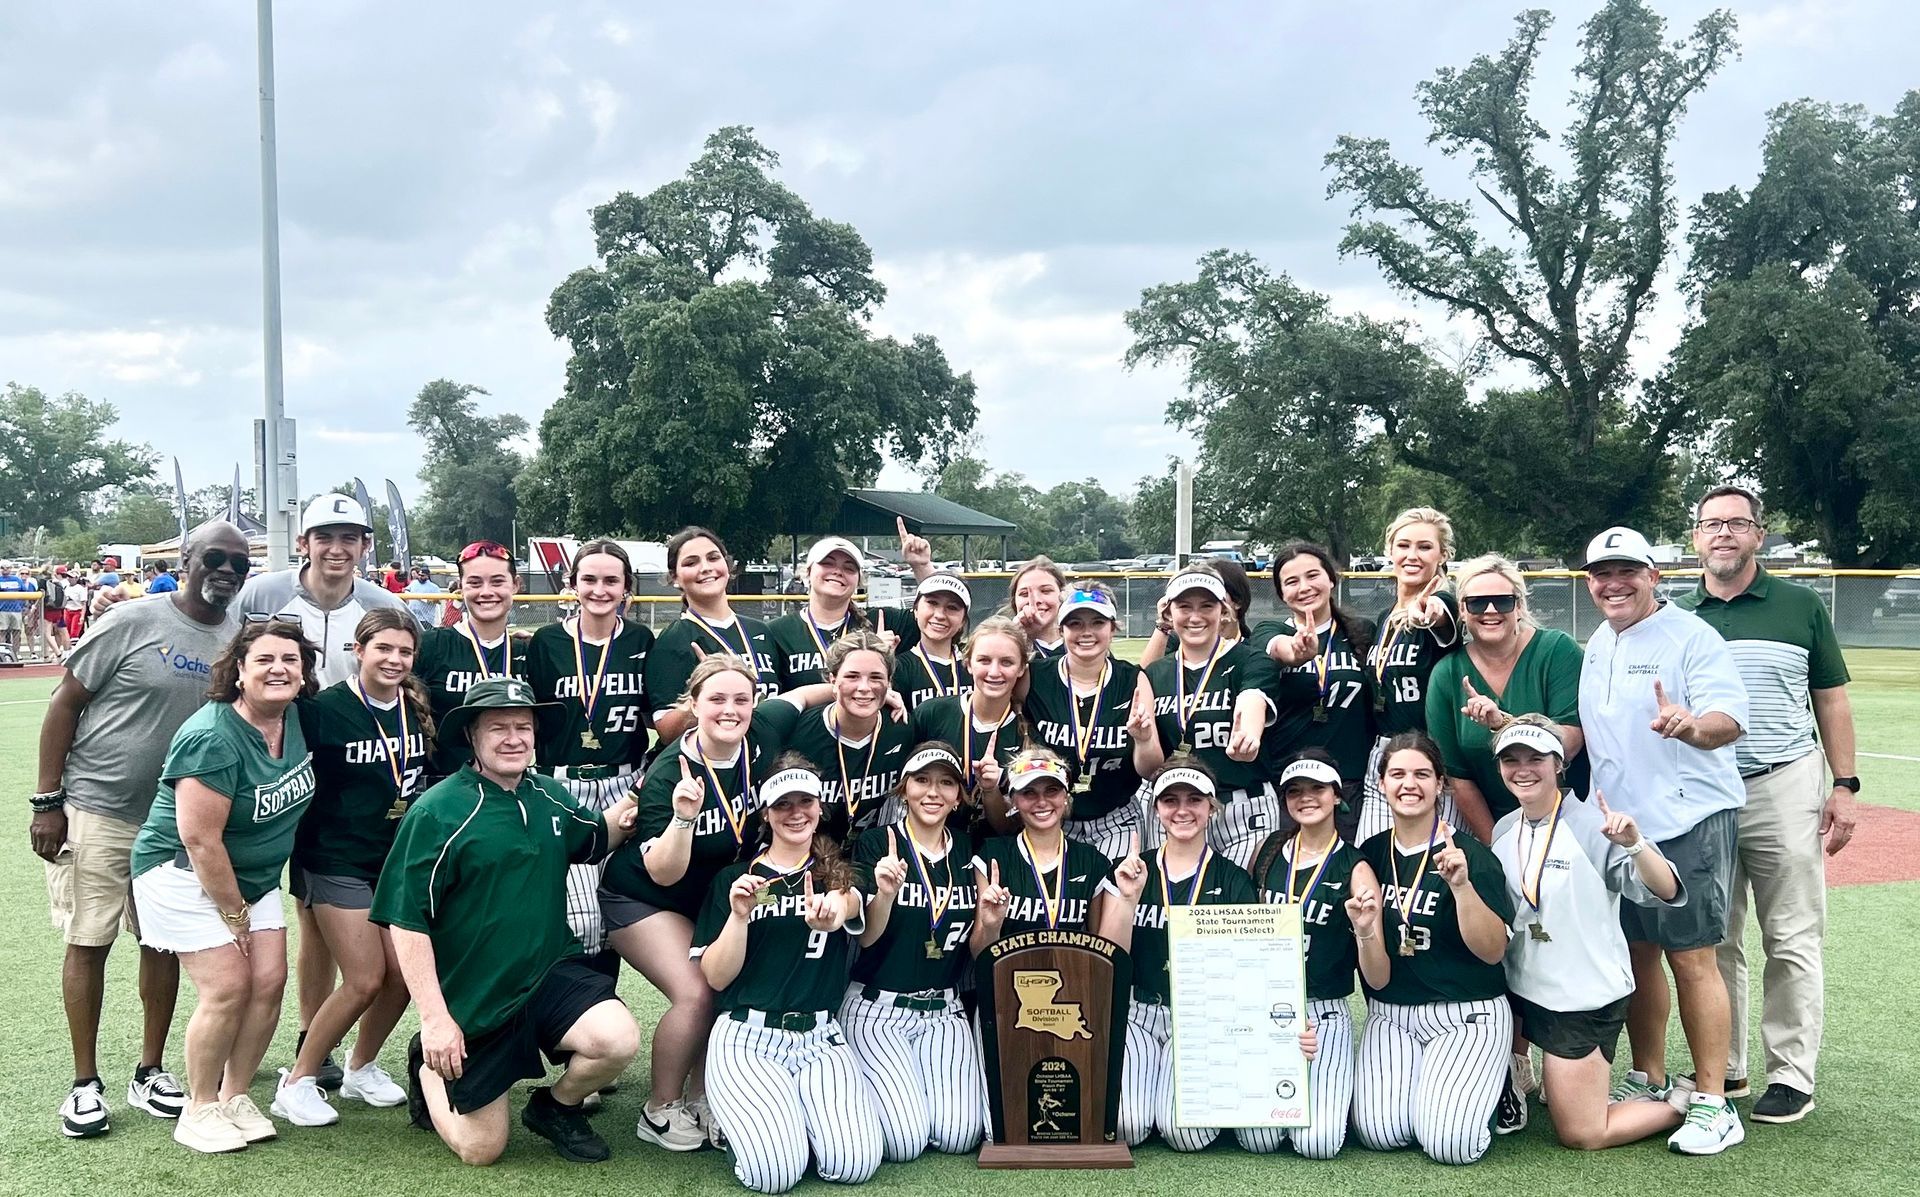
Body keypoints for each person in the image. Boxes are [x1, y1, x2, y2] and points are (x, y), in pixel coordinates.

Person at [29, 524, 249, 1139]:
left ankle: (149, 1071)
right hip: (100, 807)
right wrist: (49, 801)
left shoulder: (237, 637)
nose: (227, 570)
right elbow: (64, 701)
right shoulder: (131, 620)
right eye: (215, 558)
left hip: (176, 824)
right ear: (185, 560)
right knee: (89, 939)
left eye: (238, 562)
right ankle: (84, 1083)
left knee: (163, 944)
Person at [371, 677, 643, 1166]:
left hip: (547, 971)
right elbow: (406, 922)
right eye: (498, 727)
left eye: (524, 726)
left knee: (617, 1041)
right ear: (472, 737)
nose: (513, 738)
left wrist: (649, 785)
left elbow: (598, 837)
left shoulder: (549, 795)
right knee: (482, 1150)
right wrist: (435, 1021)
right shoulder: (438, 812)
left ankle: (555, 1109)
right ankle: (430, 1068)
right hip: (478, 992)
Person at [1678, 486, 1857, 1124]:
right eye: (1710, 525)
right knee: (1714, 937)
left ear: (1759, 534)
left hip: (1783, 782)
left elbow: (1830, 698)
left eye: (1736, 523)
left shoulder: (1799, 604)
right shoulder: (1675, 612)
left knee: (1791, 935)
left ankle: (1791, 1075)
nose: (1722, 534)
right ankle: (1722, 1065)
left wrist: (1845, 784)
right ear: (1695, 537)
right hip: (1704, 791)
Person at [1577, 525, 1748, 1155]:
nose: (1613, 584)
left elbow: (1727, 721)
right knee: (1638, 954)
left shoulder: (1692, 637)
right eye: (1601, 574)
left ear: (1654, 575)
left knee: (1692, 957)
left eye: (1627, 572)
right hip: (1623, 828)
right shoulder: (1599, 640)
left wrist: (1690, 726)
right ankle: (1649, 1078)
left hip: (1687, 821)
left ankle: (1712, 1100)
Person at [128, 620, 321, 1154]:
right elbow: (199, 840)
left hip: (250, 879)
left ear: (304, 673)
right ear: (239, 671)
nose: (278, 669)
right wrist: (234, 914)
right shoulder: (212, 734)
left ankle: (235, 1096)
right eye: (264, 660)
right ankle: (199, 1106)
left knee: (269, 982)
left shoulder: (297, 720)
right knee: (229, 986)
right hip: (182, 874)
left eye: (290, 660)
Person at [596, 656, 780, 1151]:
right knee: (699, 991)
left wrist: (864, 692)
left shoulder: (760, 736)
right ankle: (658, 1110)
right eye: (716, 699)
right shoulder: (668, 773)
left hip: (706, 898)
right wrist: (682, 818)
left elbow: (803, 698)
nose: (730, 709)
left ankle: (702, 1096)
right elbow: (663, 870)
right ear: (693, 705)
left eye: (741, 699)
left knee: (727, 983)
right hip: (643, 896)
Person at [1488, 717, 1687, 1149]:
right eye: (1511, 760)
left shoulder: (1592, 826)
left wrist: (1635, 844)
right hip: (1522, 992)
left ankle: (1684, 1102)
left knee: (1582, 1132)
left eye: (1536, 758)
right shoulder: (1505, 829)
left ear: (1559, 764)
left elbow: (1667, 888)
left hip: (1578, 998)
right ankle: (1521, 1070)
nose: (1523, 769)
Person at [270, 609, 434, 1126]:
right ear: (358, 650)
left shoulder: (413, 706)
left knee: (405, 976)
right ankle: (297, 1080)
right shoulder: (323, 709)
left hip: (390, 859)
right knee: (364, 978)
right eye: (383, 648)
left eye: (404, 651)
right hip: (333, 858)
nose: (394, 659)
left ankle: (361, 1066)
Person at [695, 758, 881, 1193]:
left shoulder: (841, 873)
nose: (796, 813)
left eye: (805, 802)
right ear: (766, 813)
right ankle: (753, 1124)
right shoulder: (735, 878)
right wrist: (739, 918)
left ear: (820, 807)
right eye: (783, 804)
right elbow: (716, 979)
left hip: (820, 1038)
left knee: (854, 1165)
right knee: (774, 1176)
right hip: (749, 1036)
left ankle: (788, 1123)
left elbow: (850, 904)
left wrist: (836, 910)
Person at [1098, 757, 1292, 1152]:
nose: (1182, 810)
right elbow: (1110, 960)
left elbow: (1250, 971)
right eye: (1170, 800)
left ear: (1212, 807)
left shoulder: (1232, 878)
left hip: (1203, 1018)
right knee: (1126, 1126)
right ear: (1156, 809)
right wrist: (1128, 900)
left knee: (1187, 1134)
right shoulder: (1131, 870)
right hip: (1140, 1011)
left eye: (1194, 800)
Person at [1350, 733, 1514, 1165]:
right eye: (1398, 774)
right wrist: (1366, 931)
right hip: (1392, 1013)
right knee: (1379, 1132)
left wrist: (1461, 887)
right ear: (1381, 783)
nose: (1410, 784)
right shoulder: (1368, 856)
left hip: (1466, 1011)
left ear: (1440, 784)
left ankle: (1499, 1084)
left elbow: (1494, 951)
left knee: (1450, 1145)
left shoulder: (1472, 854)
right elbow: (1376, 976)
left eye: (1422, 774)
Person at [840, 743, 984, 1161]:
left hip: (944, 1010)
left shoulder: (967, 848)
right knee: (905, 1142)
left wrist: (990, 919)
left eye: (946, 783)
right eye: (922, 781)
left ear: (959, 795)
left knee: (960, 1136)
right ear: (904, 789)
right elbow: (866, 938)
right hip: (877, 1007)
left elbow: (977, 943)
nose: (933, 792)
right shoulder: (877, 842)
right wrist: (884, 894)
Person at [1245, 750, 1380, 1157]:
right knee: (1258, 1139)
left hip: (1324, 1011)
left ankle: (1346, 1091)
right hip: (1266, 1007)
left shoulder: (1355, 866)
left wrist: (1366, 931)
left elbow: (1376, 976)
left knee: (1317, 1144)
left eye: (1317, 788)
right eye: (1295, 791)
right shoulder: (1269, 851)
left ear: (1337, 795)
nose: (1306, 797)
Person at [526, 538, 656, 956]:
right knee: (583, 918)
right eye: (590, 579)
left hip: (625, 783)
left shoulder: (642, 639)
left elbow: (654, 714)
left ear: (626, 588)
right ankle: (588, 1014)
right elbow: (533, 719)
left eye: (610, 581)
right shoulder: (546, 642)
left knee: (618, 904)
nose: (600, 590)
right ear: (572, 583)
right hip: (564, 785)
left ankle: (602, 1009)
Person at [1142, 566, 1307, 867]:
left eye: (1207, 606)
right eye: (1184, 606)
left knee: (1239, 905)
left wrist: (1249, 735)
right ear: (1169, 612)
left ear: (1225, 610)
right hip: (1181, 807)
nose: (1195, 616)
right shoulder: (1157, 672)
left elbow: (1252, 700)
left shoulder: (1250, 659)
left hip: (1243, 805)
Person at [1425, 554, 1586, 839]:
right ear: (1462, 610)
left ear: (1519, 606)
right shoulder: (1446, 674)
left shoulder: (1557, 650)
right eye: (1476, 602)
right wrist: (1498, 847)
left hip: (1567, 820)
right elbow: (1458, 778)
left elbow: (1570, 743)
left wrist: (1504, 724)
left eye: (1502, 601)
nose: (1489, 610)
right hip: (1498, 825)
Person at [1023, 583, 1162, 859]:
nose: (1086, 632)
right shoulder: (1035, 676)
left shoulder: (1131, 680)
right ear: (1061, 630)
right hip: (1052, 818)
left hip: (1116, 819)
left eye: (1097, 622)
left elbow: (1151, 769)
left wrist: (1143, 739)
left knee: (1116, 894)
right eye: (1075, 623)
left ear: (1113, 629)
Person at [1253, 543, 1375, 839]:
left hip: (1347, 783)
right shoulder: (1269, 632)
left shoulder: (1363, 632)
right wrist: (1296, 652)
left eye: (1312, 576)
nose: (1304, 587)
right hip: (1290, 784)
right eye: (1292, 582)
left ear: (1331, 579)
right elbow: (1277, 649)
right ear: (1281, 593)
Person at [754, 631, 914, 846]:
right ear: (833, 680)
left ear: (889, 683)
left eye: (876, 677)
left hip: (870, 856)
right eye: (852, 676)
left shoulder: (902, 728)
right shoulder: (797, 729)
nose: (864, 687)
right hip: (805, 856)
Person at [1358, 508, 1460, 843]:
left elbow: (1441, 614)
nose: (1412, 555)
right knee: (1375, 853)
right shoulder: (1385, 616)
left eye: (1425, 547)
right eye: (1403, 546)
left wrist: (1428, 613)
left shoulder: (1443, 600)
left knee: (1433, 864)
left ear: (1443, 554)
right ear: (1390, 552)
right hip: (1384, 755)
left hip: (1431, 755)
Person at [646, 527, 781, 743]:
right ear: (675, 578)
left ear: (727, 566)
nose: (706, 568)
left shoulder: (760, 631)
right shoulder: (674, 640)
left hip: (764, 759)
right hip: (710, 765)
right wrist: (707, 687)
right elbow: (666, 732)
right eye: (691, 563)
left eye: (713, 558)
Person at [970, 750, 1116, 948]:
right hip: (1007, 976)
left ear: (1066, 796)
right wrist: (991, 927)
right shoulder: (993, 856)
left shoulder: (1091, 862)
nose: (1041, 801)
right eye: (1029, 792)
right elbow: (979, 953)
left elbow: (1100, 949)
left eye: (1052, 790)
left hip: (1072, 975)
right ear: (1014, 800)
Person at [767, 522, 932, 689]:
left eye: (849, 568)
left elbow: (941, 617)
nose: (838, 571)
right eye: (828, 563)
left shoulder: (882, 620)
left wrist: (922, 566)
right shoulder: (777, 632)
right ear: (808, 572)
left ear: (859, 580)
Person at [412, 541, 527, 779]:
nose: (486, 592)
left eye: (497, 581)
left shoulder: (528, 651)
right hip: (444, 788)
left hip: (510, 787)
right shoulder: (431, 646)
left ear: (515, 585)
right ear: (461, 588)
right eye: (475, 583)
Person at [909, 616, 1031, 834]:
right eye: (984, 660)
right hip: (932, 843)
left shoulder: (1028, 731)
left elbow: (1008, 827)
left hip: (992, 848)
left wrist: (990, 790)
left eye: (1007, 662)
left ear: (1022, 668)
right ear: (968, 664)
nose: (994, 672)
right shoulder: (932, 713)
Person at [890, 573, 973, 712]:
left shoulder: (976, 666)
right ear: (915, 610)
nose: (940, 615)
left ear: (963, 621)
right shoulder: (898, 668)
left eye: (952, 607)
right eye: (932, 603)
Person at [1006, 556, 1067, 659]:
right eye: (1024, 593)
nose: (1035, 600)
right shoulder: (1002, 645)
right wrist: (1014, 636)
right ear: (1014, 601)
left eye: (1046, 591)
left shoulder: (1079, 645)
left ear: (1062, 595)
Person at [0, 560, 27, 655]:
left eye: (7, 568)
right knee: (2, 631)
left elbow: (24, 593)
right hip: (2, 610)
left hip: (16, 610)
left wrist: (22, 605)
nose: (5, 570)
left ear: (11, 569)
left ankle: (16, 653)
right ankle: (2, 653)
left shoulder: (17, 580)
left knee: (17, 632)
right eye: (3, 568)